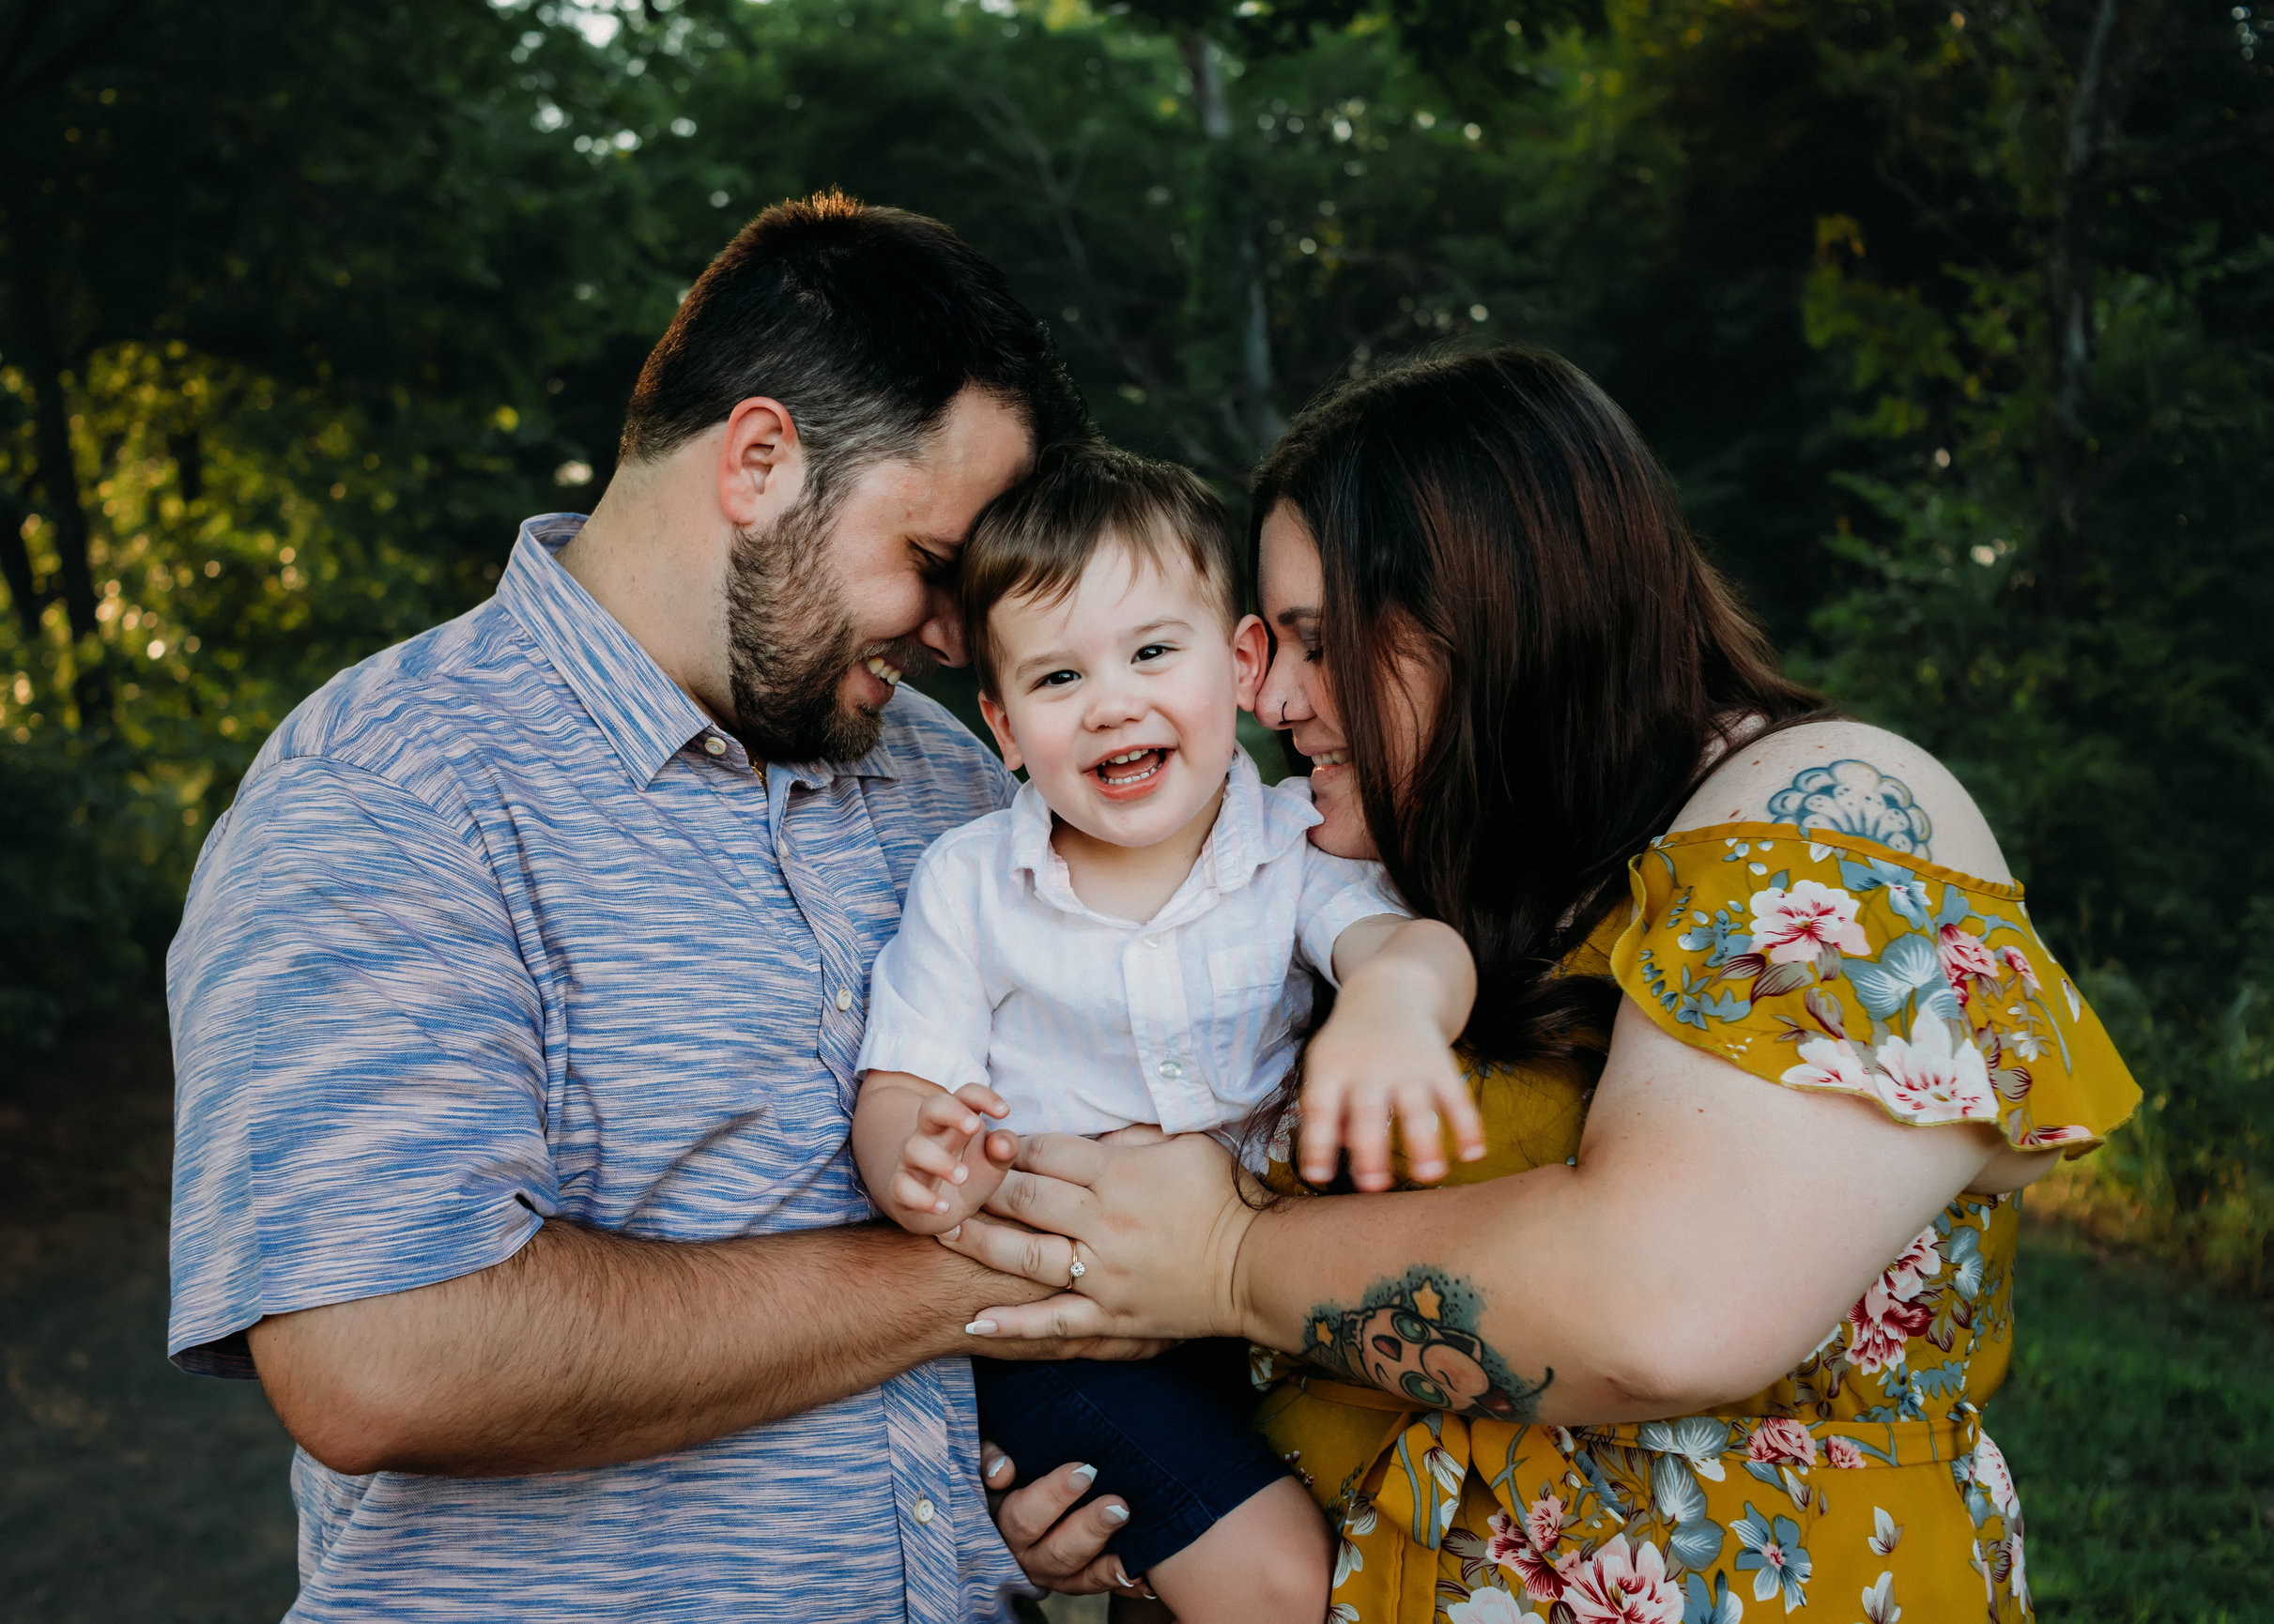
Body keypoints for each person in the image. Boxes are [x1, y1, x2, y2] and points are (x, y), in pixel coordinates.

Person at [941, 347, 2142, 1622]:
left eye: (1318, 641)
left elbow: (1665, 1302)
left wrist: (1231, 1259)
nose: (1274, 697)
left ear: (1491, 619)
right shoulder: (1425, 884)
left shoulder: (1831, 813)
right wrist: (1142, 1485)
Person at [165, 192, 1139, 1621]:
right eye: (934, 562)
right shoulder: (388, 790)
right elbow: (380, 1352)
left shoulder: (952, 779)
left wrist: (1010, 1511)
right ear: (757, 459)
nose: (954, 632)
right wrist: (975, 1280)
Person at [850, 444, 1485, 1622]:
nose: (1112, 701)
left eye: (1152, 651)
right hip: (1068, 1339)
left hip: (1252, 1309)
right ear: (1000, 721)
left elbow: (1408, 946)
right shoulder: (973, 882)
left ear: (1240, 662)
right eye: (1056, 679)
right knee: (1282, 1582)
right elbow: (901, 1080)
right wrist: (921, 1159)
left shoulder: (1290, 844)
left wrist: (1397, 1005)